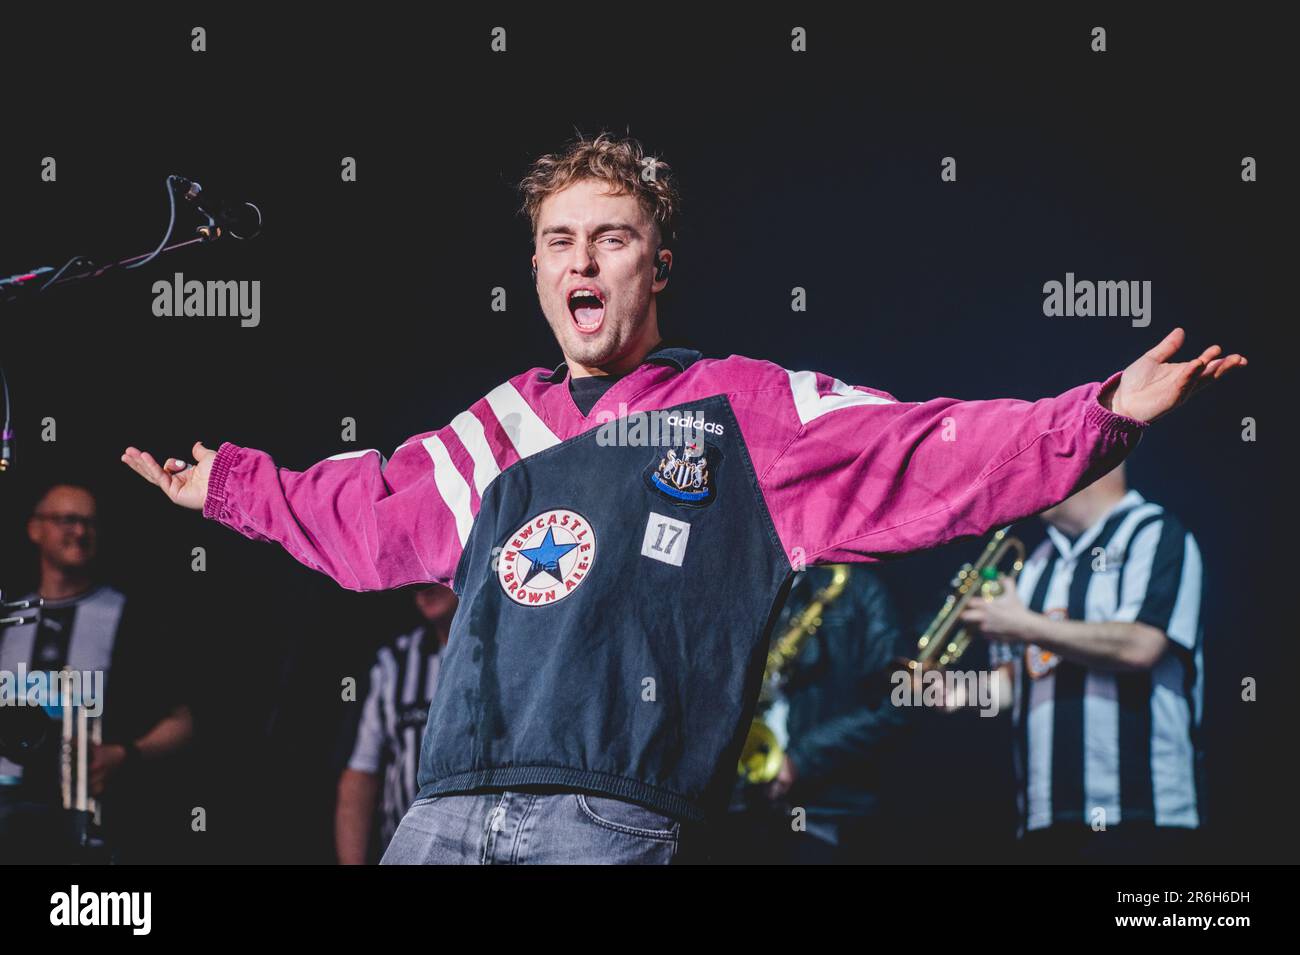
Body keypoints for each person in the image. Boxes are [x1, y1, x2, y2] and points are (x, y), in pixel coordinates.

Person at [120, 131, 1245, 864]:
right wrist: (232, 487)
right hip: (441, 812)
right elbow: (366, 518)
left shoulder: (743, 410)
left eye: (612, 238)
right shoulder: (499, 424)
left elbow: (926, 449)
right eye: (558, 241)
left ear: (655, 266)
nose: (582, 261)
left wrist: (1098, 412)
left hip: (606, 820)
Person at [959, 463, 1206, 863]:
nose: (1032, 479)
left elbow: (1142, 645)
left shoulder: (1155, 532)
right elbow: (1015, 681)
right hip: (1046, 816)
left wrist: (1025, 625)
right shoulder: (1037, 562)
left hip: (1143, 815)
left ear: (1098, 463)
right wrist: (953, 691)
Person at [0, 482, 194, 862]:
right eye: (66, 520)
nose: (80, 532)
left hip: (91, 819)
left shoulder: (131, 618)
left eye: (90, 523)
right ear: (35, 528)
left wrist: (125, 755)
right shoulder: (9, 617)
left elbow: (185, 721)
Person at [713, 564, 909, 863]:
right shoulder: (742, 581)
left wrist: (801, 760)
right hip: (734, 805)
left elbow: (895, 703)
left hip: (817, 814)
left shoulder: (859, 590)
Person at [335, 584, 458, 864]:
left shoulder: (507, 655)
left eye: (435, 573)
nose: (423, 587)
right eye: (414, 580)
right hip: (405, 853)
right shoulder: (394, 663)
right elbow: (361, 776)